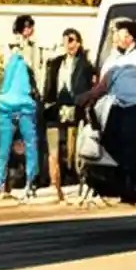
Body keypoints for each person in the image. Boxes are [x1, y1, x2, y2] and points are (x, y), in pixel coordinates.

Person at [78, 18, 136, 204]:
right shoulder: (112, 59)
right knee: (109, 140)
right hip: (118, 104)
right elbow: (103, 86)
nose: (116, 37)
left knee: (127, 142)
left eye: (119, 34)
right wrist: (89, 96)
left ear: (130, 37)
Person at [42, 28, 94, 203]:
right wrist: (47, 102)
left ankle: (76, 178)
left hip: (74, 109)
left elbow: (87, 88)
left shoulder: (85, 65)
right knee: (53, 149)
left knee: (73, 151)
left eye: (71, 40)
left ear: (78, 43)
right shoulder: (55, 62)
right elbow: (48, 85)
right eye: (65, 41)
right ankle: (54, 184)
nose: (68, 44)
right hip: (55, 109)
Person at [0, 15, 41, 198]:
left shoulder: (34, 49)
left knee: (30, 144)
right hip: (9, 104)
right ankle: (2, 183)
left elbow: (37, 71)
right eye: (27, 27)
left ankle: (30, 182)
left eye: (31, 27)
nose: (29, 31)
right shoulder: (6, 47)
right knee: (5, 146)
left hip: (24, 103)